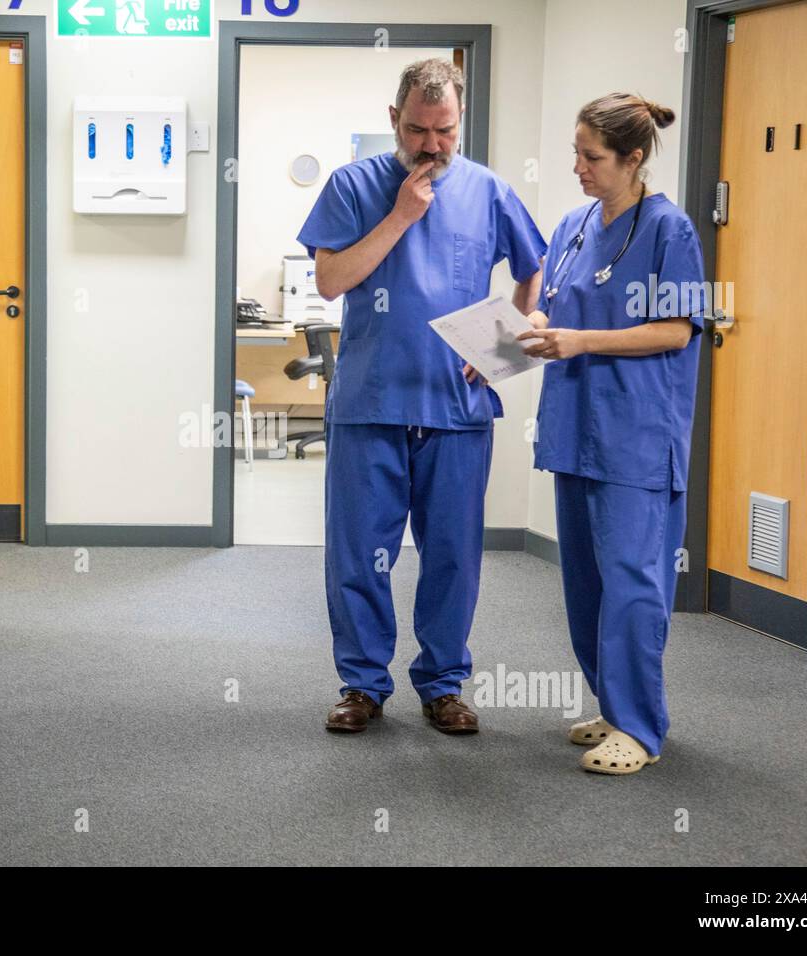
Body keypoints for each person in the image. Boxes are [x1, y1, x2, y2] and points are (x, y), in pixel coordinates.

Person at [296, 58, 546, 735]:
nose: (432, 145)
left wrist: (504, 353)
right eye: (417, 130)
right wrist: (402, 216)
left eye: (445, 131)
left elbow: (534, 271)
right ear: (393, 121)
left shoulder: (489, 192)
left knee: (453, 554)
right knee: (358, 553)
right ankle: (362, 685)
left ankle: (442, 683)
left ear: (459, 121)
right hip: (371, 403)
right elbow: (330, 281)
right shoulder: (354, 186)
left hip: (455, 410)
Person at [510, 93, 705, 774]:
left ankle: (642, 729)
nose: (578, 167)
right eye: (575, 153)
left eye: (591, 157)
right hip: (574, 425)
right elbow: (550, 309)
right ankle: (612, 704)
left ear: (634, 157)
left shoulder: (669, 230)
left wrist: (580, 340)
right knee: (586, 581)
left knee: (633, 580)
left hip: (635, 433)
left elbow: (675, 331)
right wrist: (519, 337)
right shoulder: (572, 223)